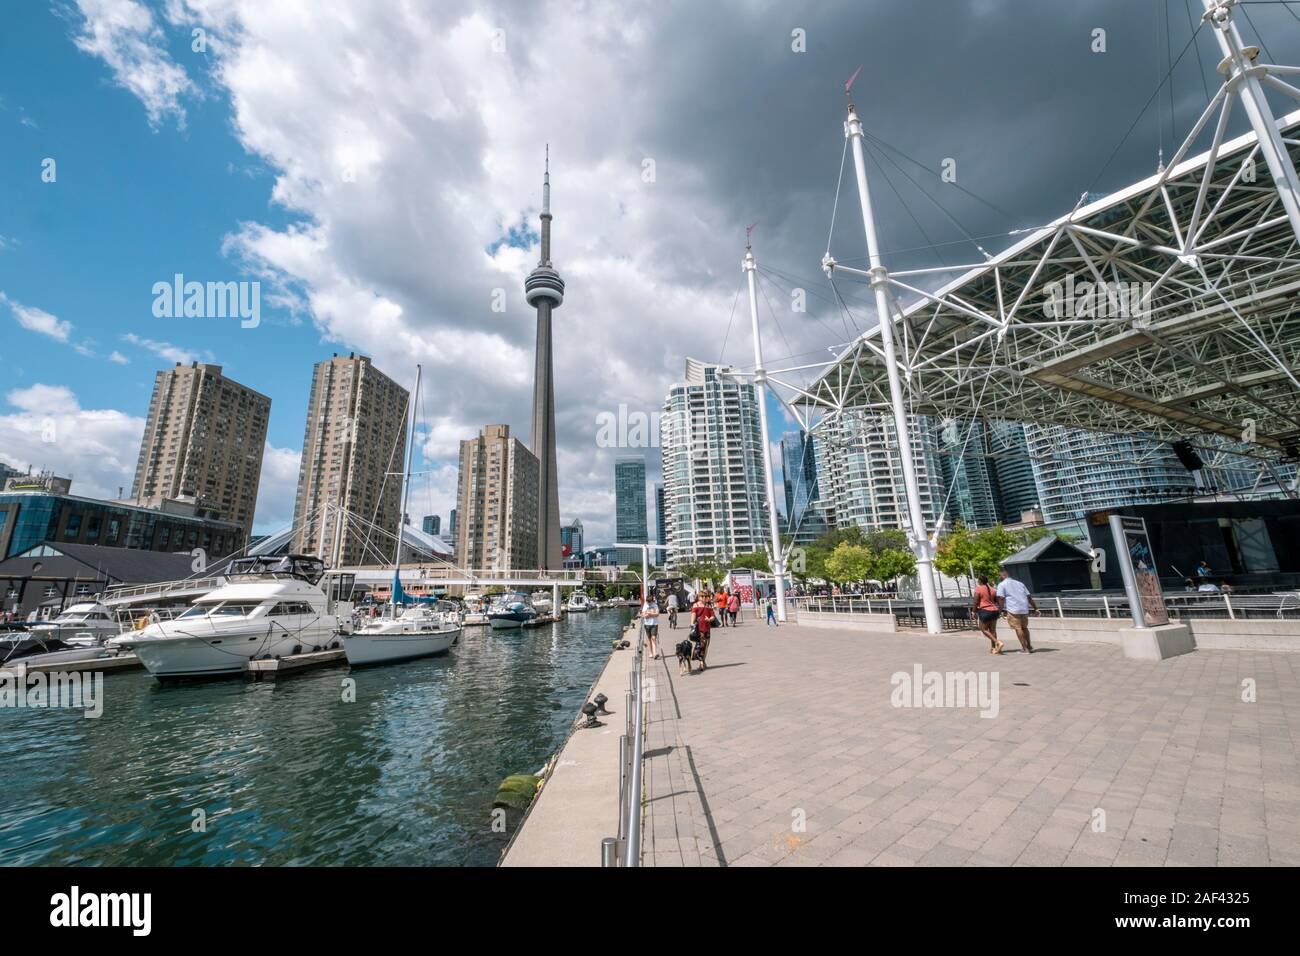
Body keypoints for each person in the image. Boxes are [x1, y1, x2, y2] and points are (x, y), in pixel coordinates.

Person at [995, 568, 1039, 653]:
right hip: (1024, 608)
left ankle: (1024, 649)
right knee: (1025, 628)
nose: (999, 577)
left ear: (1003, 575)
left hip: (1013, 609)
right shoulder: (1020, 583)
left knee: (1018, 628)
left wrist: (1000, 610)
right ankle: (1029, 646)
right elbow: (1029, 597)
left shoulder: (1002, 584)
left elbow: (1001, 598)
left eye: (999, 575)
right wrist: (1035, 608)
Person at [972, 575, 1005, 655]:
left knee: (983, 629)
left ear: (980, 581)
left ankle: (998, 642)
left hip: (985, 611)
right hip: (994, 611)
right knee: (993, 630)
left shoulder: (978, 589)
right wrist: (1000, 611)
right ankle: (993, 648)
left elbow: (976, 602)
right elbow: (997, 601)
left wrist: (974, 612)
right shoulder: (993, 589)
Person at [690, 594, 715, 670]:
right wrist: (692, 625)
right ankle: (701, 662)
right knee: (702, 645)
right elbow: (693, 615)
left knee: (706, 645)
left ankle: (703, 660)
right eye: (702, 596)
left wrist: (710, 619)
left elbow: (713, 616)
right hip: (699, 628)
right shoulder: (696, 605)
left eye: (705, 596)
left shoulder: (708, 605)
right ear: (699, 597)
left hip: (707, 628)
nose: (704, 597)